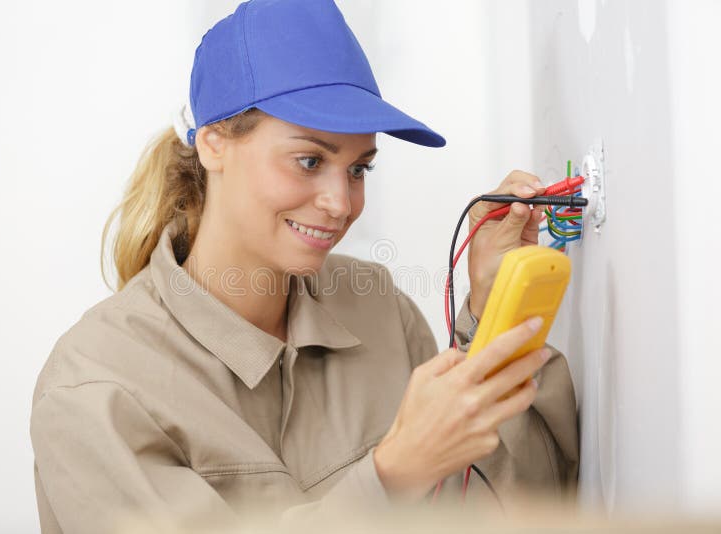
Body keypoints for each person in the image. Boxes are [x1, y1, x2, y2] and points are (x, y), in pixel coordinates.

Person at [29, 0, 579, 532]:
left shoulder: (377, 305)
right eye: (310, 160)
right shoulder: (96, 386)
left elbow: (511, 511)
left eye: (359, 169)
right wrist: (391, 476)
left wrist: (491, 313)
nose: (341, 203)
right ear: (214, 144)